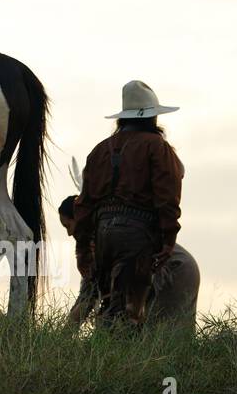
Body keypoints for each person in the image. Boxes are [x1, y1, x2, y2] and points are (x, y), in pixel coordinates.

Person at [71, 80, 186, 328]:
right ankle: (121, 362)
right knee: (129, 313)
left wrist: (83, 249)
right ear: (152, 118)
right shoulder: (157, 147)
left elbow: (84, 204)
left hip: (103, 236)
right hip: (137, 234)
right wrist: (168, 240)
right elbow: (168, 198)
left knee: (110, 305)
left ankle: (104, 359)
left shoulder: (99, 150)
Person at [59, 195, 199, 331]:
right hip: (177, 267)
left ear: (79, 219)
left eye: (68, 225)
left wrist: (62, 340)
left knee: (159, 339)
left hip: (176, 269)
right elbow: (89, 295)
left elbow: (87, 300)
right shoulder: (102, 234)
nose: (69, 234)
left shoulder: (102, 238)